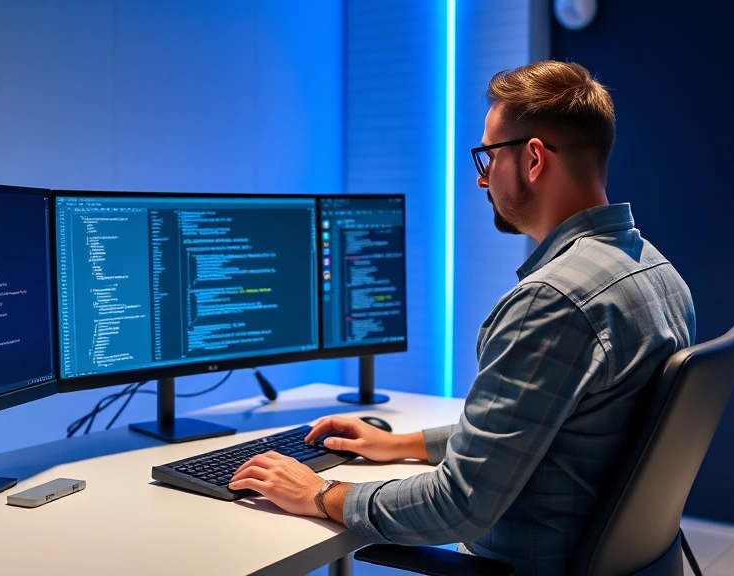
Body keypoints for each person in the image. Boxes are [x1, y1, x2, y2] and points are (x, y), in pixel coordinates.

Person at [228, 60, 697, 575]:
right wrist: (398, 443)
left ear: (534, 159)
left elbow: (459, 504)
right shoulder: (658, 272)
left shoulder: (552, 300)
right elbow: (542, 430)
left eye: (487, 156)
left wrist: (321, 492)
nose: (481, 179)